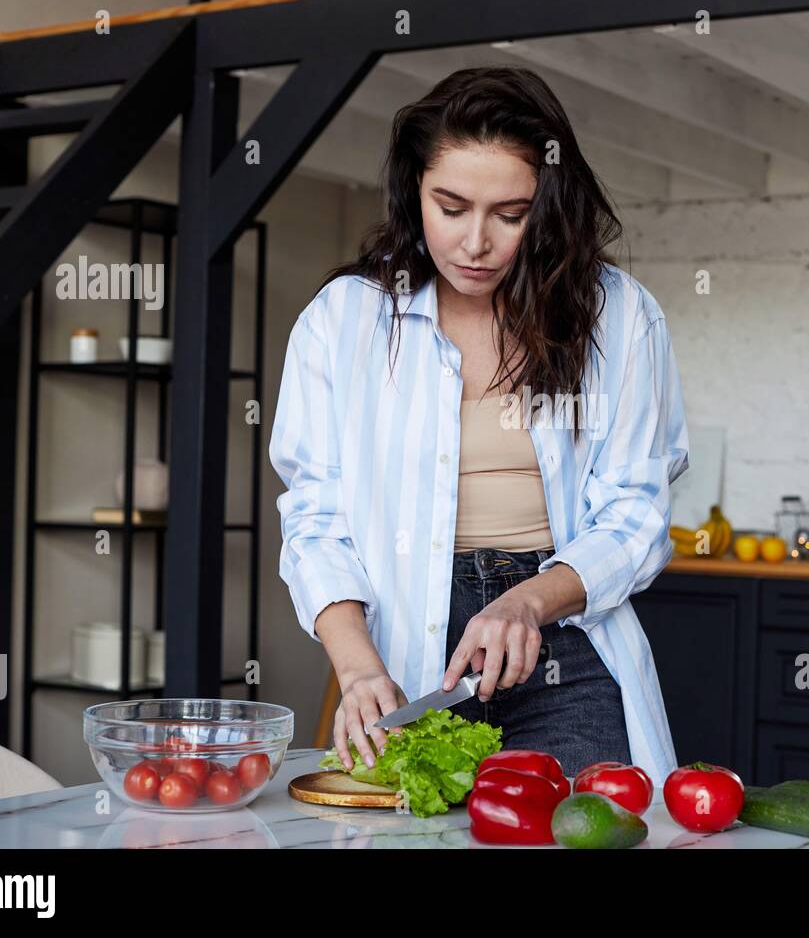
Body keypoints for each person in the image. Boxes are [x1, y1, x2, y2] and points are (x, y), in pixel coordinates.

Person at [269, 66, 690, 788]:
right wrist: (357, 664)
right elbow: (315, 521)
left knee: (587, 832)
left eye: (511, 213)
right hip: (409, 660)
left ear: (548, 208)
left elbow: (637, 518)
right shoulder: (344, 320)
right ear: (415, 192)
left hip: (563, 636)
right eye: (451, 206)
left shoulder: (619, 316)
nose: (475, 242)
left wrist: (526, 601)